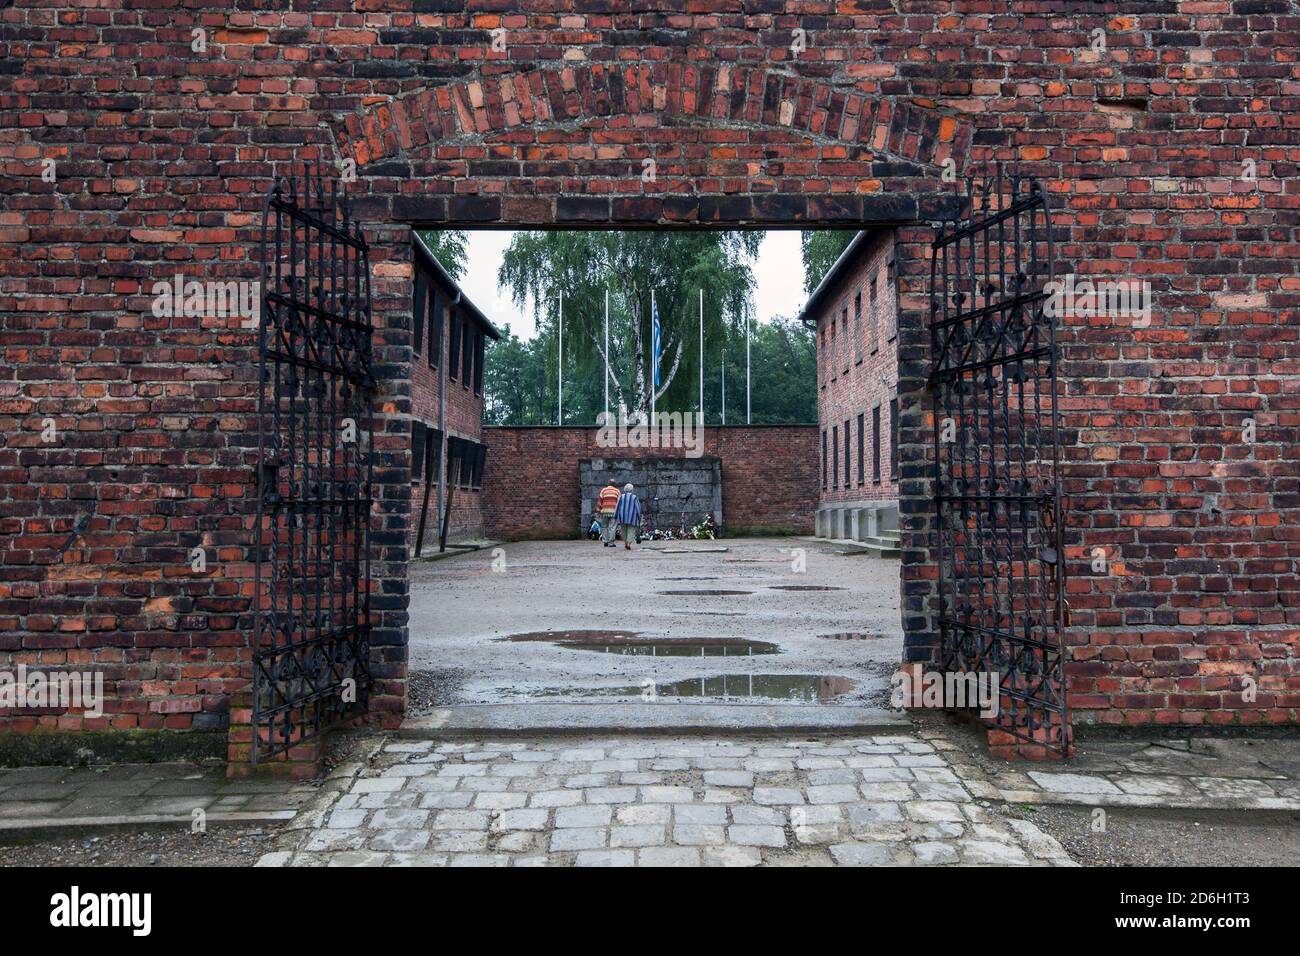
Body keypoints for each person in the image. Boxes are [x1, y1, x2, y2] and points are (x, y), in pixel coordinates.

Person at [613, 482, 642, 550]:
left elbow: (617, 506)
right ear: (632, 489)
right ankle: (628, 543)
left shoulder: (621, 497)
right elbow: (638, 508)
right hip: (632, 517)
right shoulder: (634, 497)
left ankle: (626, 542)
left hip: (622, 516)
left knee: (624, 530)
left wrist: (615, 515)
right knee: (631, 530)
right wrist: (639, 516)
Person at [596, 478, 621, 547]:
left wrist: (599, 510)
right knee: (612, 527)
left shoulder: (603, 490)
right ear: (614, 484)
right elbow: (619, 502)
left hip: (604, 511)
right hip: (614, 512)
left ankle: (605, 541)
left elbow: (599, 501)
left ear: (608, 483)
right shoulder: (617, 491)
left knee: (604, 526)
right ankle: (611, 543)